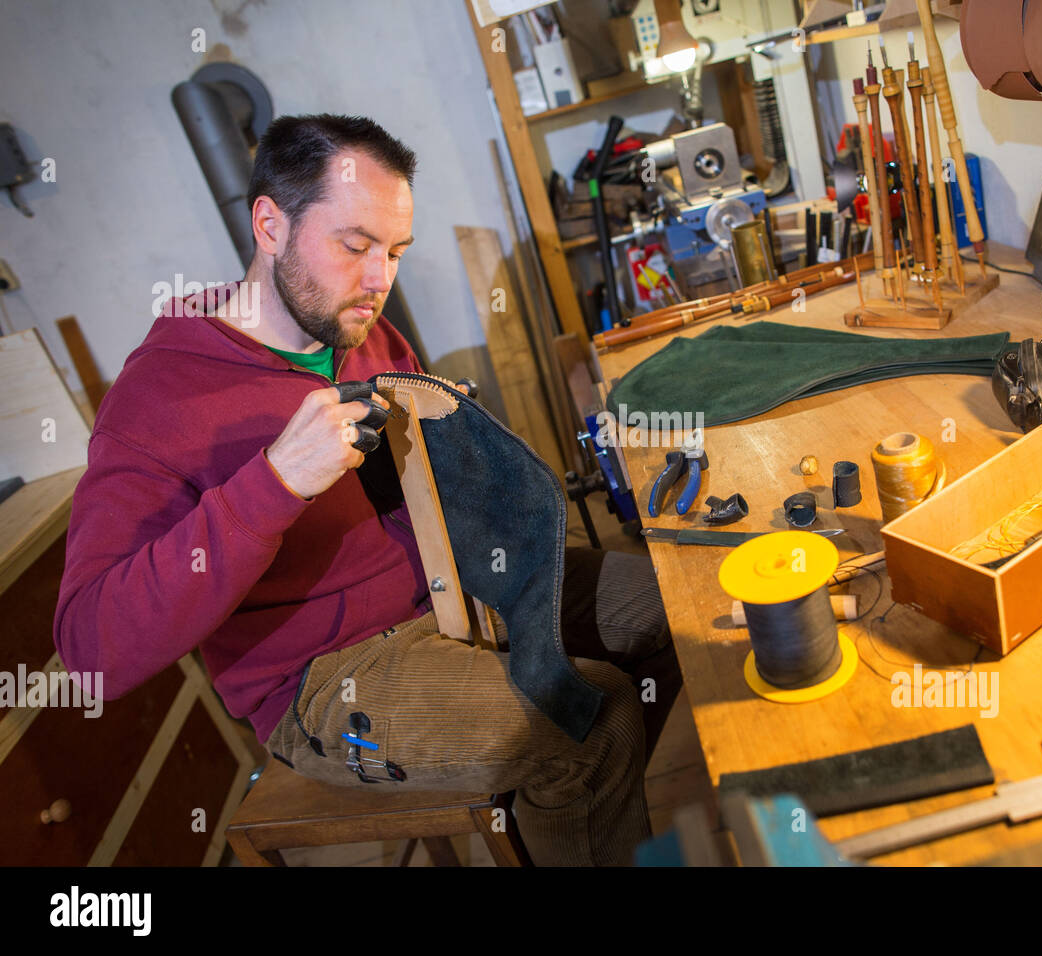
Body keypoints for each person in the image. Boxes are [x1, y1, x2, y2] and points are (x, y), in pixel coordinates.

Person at [53, 114, 681, 866]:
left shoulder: (362, 331)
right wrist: (273, 483)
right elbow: (92, 649)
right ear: (270, 224)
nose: (380, 280)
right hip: (327, 676)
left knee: (672, 603)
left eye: (395, 252)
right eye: (354, 246)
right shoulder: (156, 401)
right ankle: (570, 789)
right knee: (594, 721)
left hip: (452, 589)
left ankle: (566, 809)